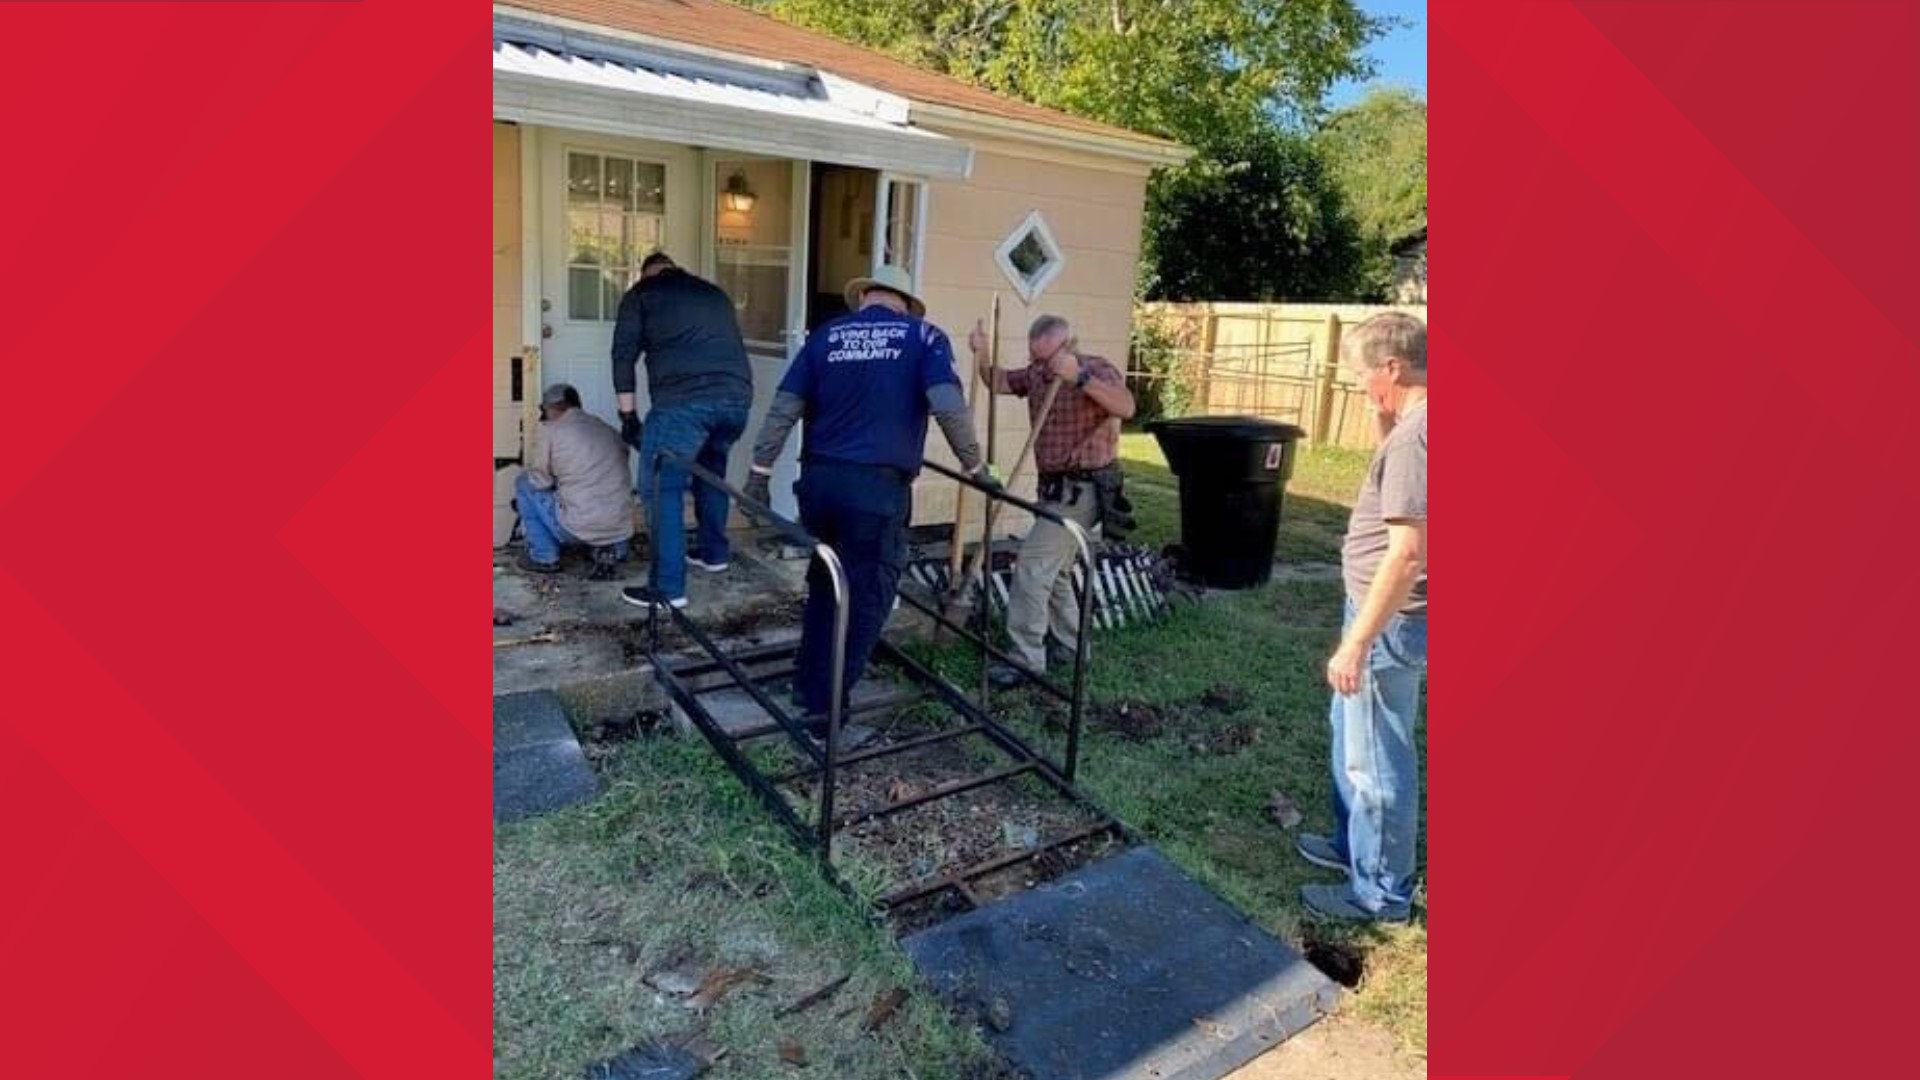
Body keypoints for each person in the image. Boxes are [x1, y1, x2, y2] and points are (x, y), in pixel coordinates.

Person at [745, 265, 995, 734]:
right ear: (904, 303)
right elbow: (946, 405)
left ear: (865, 299)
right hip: (876, 493)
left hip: (818, 486)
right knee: (867, 598)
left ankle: (807, 684)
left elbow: (783, 409)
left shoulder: (825, 337)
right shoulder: (924, 337)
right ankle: (827, 709)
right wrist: (976, 468)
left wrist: (758, 473)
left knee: (827, 585)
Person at [1296, 312, 1428, 924]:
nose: (1354, 384)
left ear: (1391, 368)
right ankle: (1353, 845)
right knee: (1353, 735)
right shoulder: (1412, 425)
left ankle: (1380, 893)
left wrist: (1356, 643)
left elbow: (1405, 553)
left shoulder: (1414, 439)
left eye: (1360, 373)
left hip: (1388, 619)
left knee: (1375, 754)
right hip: (1384, 612)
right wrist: (1384, 418)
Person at [971, 315, 1135, 689]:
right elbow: (996, 381)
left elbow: (1126, 408)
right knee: (1055, 573)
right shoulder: (1037, 375)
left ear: (1067, 345)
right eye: (1035, 357)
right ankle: (1072, 649)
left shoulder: (1094, 368)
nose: (1040, 365)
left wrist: (1079, 377)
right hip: (1054, 490)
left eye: (1045, 358)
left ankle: (1026, 660)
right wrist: (982, 356)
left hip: (1086, 490)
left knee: (1031, 566)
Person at [611, 252, 754, 612]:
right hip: (736, 401)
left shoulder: (642, 294)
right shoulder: (713, 293)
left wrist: (627, 417)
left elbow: (623, 355)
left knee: (662, 488)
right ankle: (713, 552)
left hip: (682, 405)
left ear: (646, 274)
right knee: (710, 473)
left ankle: (667, 588)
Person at [514, 383, 635, 573]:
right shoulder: (606, 429)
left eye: (543, 410)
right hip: (619, 530)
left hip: (578, 528)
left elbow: (540, 481)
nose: (542, 416)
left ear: (553, 407)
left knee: (524, 483)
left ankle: (544, 556)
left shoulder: (552, 431)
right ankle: (608, 549)